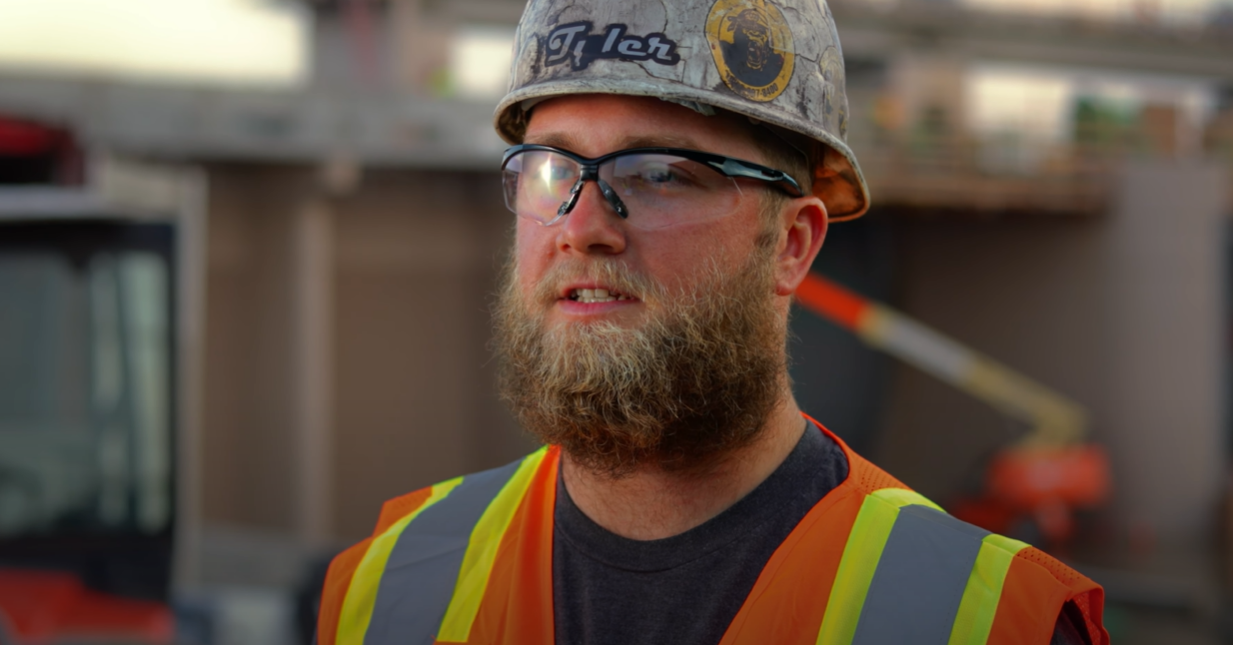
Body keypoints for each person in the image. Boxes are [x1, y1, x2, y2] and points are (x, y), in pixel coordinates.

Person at [316, 0, 1108, 643]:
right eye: (551, 169)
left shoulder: (986, 623)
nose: (581, 223)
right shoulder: (389, 587)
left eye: (659, 172)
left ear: (790, 245)